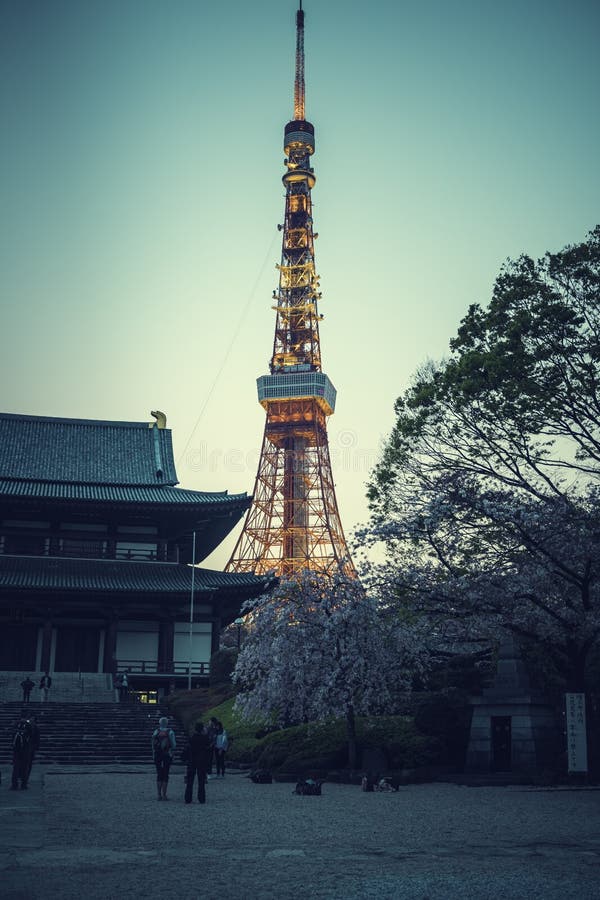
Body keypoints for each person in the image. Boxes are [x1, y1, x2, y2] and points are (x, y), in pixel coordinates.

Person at [184, 721, 212, 804]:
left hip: (192, 760)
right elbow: (208, 747)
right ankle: (201, 798)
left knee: (190, 781)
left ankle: (188, 798)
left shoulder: (192, 738)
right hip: (201, 760)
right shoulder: (205, 738)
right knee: (201, 781)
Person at [151, 716, 176, 801]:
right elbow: (173, 745)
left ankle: (158, 794)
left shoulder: (156, 731)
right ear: (167, 723)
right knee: (166, 774)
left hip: (158, 754)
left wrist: (153, 753)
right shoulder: (170, 732)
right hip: (167, 754)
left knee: (159, 774)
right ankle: (164, 794)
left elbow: (153, 744)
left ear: (160, 723)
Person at [11, 716, 34, 790]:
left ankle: (15, 784)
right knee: (24, 768)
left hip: (17, 750)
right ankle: (23, 785)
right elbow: (31, 735)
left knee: (16, 768)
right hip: (24, 750)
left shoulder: (16, 725)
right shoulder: (28, 725)